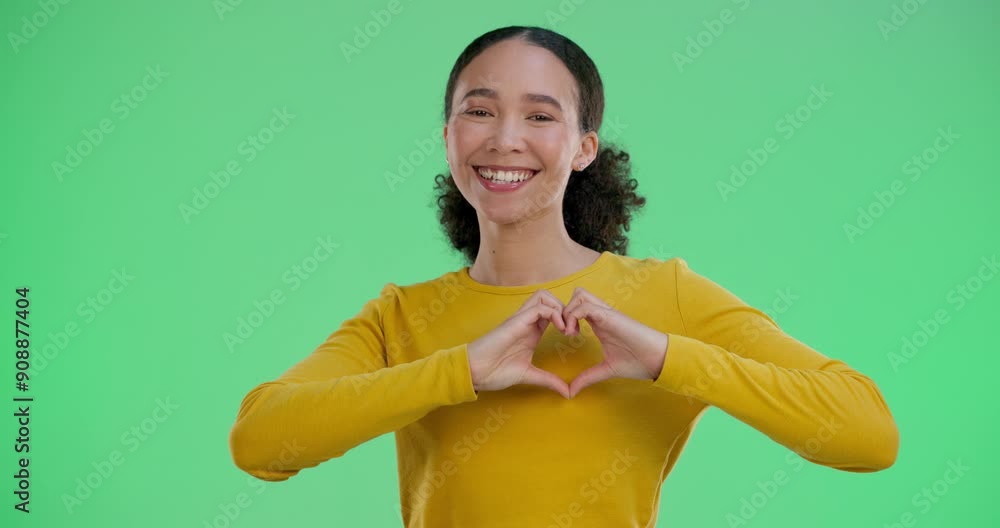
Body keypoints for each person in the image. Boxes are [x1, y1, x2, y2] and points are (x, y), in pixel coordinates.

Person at [228, 25, 899, 527]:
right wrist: (460, 371)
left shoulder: (665, 297)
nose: (504, 139)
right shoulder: (401, 318)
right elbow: (261, 441)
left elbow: (867, 433)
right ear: (448, 137)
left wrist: (667, 358)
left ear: (583, 149)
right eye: (479, 110)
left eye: (541, 116)